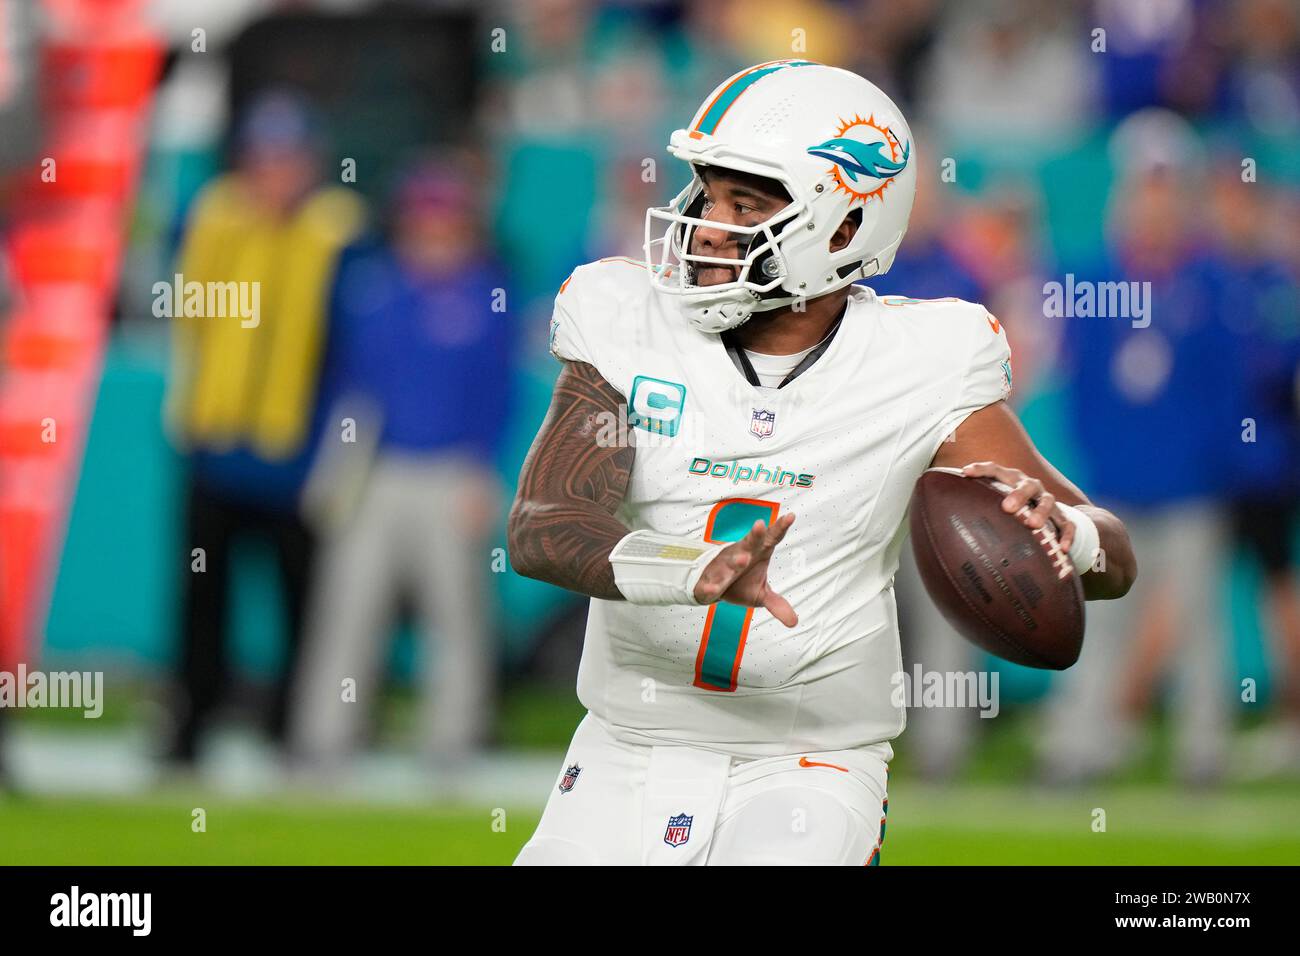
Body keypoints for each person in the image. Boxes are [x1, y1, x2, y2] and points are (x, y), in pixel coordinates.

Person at [507, 60, 1136, 866]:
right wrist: (691, 570)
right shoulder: (623, 316)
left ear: (842, 228)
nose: (703, 223)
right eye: (704, 193)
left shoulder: (923, 358)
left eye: (745, 203)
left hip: (809, 761)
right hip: (627, 742)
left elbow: (1110, 555)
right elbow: (541, 527)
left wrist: (1066, 535)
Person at [163, 90, 366, 764]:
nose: (274, 173)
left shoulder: (337, 232)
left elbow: (349, 350)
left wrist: (336, 453)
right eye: (263, 157)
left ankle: (291, 731)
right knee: (200, 598)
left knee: (300, 602)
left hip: (293, 451)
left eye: (287, 158)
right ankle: (189, 727)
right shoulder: (216, 217)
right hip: (217, 440)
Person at [289, 159, 513, 769]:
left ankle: (452, 741)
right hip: (376, 473)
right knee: (348, 609)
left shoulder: (485, 292)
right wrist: (332, 472)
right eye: (424, 219)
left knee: (457, 615)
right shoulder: (374, 289)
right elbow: (347, 384)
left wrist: (483, 472)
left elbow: (498, 394)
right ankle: (324, 740)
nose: (434, 232)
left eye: (445, 220)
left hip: (449, 474)